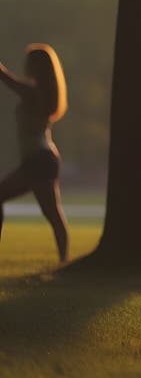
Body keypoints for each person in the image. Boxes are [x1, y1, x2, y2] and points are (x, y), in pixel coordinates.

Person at [0, 43, 69, 262]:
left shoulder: (32, 93)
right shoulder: (41, 93)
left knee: (53, 213)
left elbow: (7, 79)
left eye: (29, 60)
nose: (25, 64)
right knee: (53, 213)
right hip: (43, 158)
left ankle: (63, 259)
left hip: (39, 160)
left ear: (37, 66)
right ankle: (63, 259)